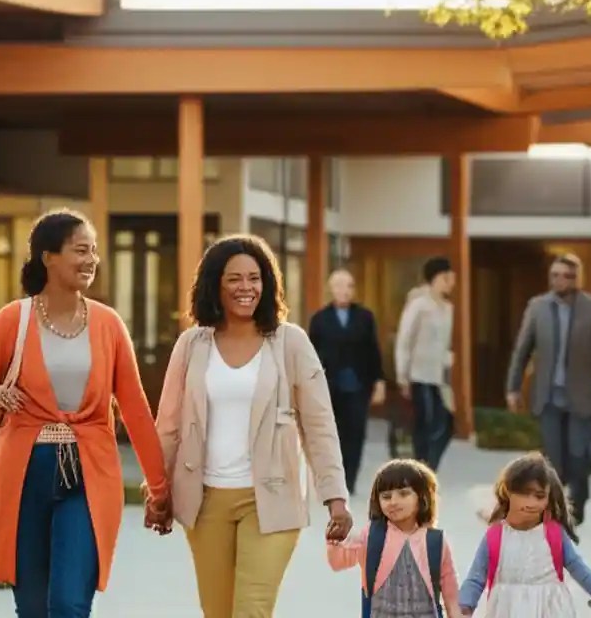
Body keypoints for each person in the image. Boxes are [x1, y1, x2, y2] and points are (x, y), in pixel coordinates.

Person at [0, 209, 169, 617]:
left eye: (94, 251)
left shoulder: (108, 324)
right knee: (33, 607)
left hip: (88, 471)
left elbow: (134, 408)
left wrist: (159, 487)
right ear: (48, 257)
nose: (91, 260)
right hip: (23, 472)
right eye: (81, 250)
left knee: (68, 604)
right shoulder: (12, 320)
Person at [153, 234, 353, 618]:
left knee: (251, 611)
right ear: (215, 284)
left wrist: (335, 498)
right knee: (218, 613)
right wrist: (159, 492)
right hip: (205, 501)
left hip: (271, 500)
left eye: (254, 277)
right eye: (234, 279)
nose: (246, 287)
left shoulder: (289, 342)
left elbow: (319, 424)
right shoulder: (192, 344)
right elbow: (168, 427)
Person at [504, 253, 591, 526]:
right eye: (556, 275)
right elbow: (522, 350)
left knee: (579, 457)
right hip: (548, 396)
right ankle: (559, 509)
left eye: (567, 275)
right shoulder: (537, 307)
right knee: (552, 461)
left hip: (582, 397)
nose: (560, 280)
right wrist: (513, 387)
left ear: (577, 279)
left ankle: (581, 499)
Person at [457, 453, 591, 618]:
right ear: (508, 492)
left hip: (551, 610)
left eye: (539, 496)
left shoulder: (554, 534)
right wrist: (464, 606)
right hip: (506, 610)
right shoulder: (496, 536)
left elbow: (575, 565)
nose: (531, 502)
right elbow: (476, 576)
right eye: (524, 494)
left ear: (548, 498)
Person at [327, 459, 461, 618]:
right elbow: (338, 562)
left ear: (422, 497)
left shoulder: (435, 541)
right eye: (386, 496)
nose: (394, 502)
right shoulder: (373, 535)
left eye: (404, 494)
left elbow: (450, 593)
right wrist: (336, 539)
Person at [308, 268, 386, 494]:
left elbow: (374, 350)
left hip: (358, 385)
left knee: (356, 433)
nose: (344, 291)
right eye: (339, 286)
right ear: (331, 289)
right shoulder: (320, 319)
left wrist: (379, 381)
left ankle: (349, 481)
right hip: (329, 386)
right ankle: (332, 482)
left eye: (349, 286)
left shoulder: (365, 317)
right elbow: (311, 356)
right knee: (332, 435)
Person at [395, 257, 456, 470]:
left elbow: (445, 344)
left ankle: (430, 465)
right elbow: (405, 339)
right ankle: (420, 467)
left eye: (451, 278)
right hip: (418, 374)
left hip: (439, 376)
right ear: (434, 279)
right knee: (425, 422)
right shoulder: (419, 305)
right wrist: (402, 375)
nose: (450, 282)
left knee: (447, 422)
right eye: (445, 277)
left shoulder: (448, 308)